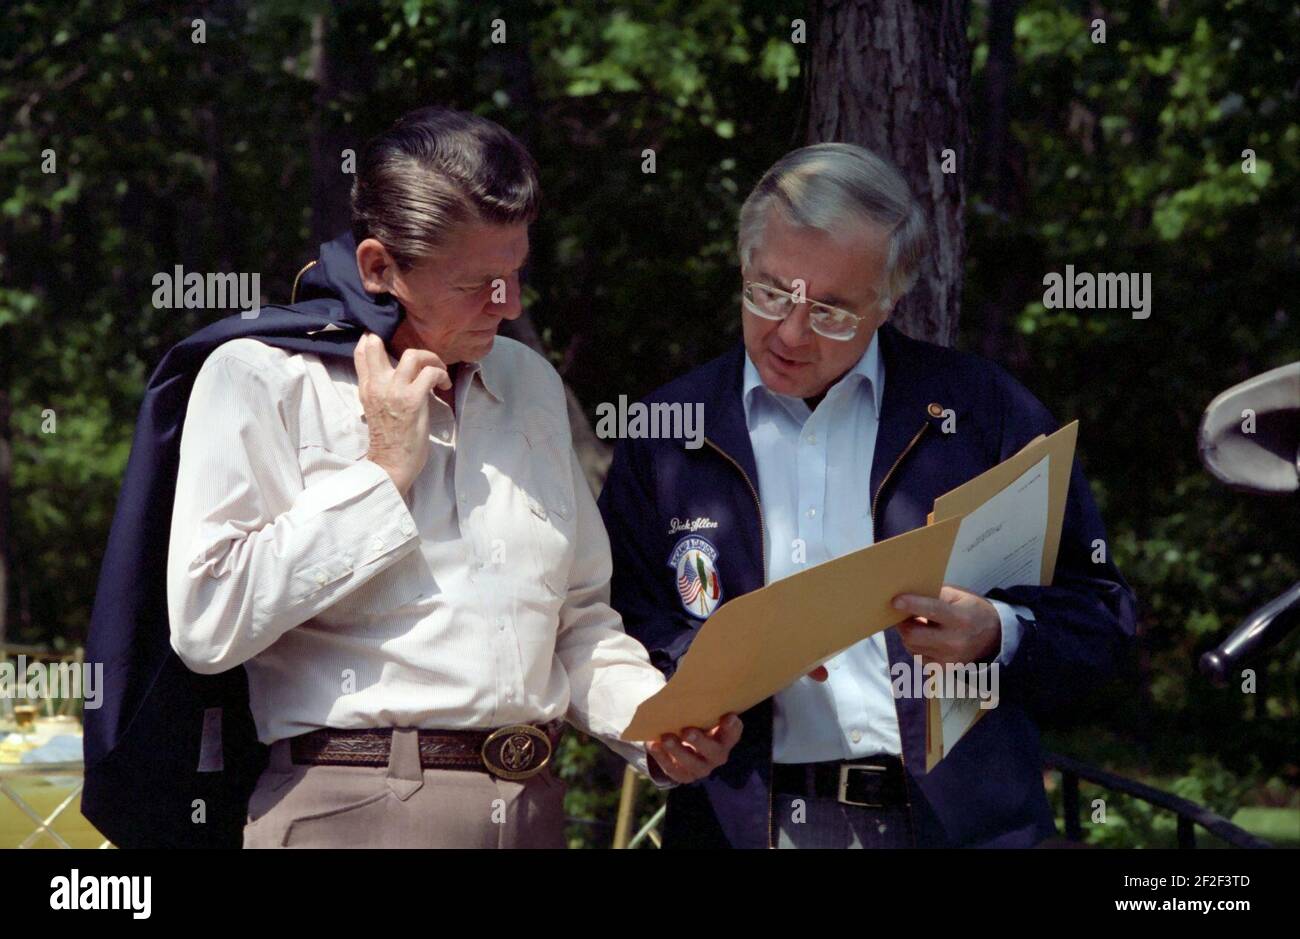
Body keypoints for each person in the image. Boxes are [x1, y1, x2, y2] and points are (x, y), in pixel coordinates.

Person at [153, 106, 740, 848]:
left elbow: (578, 621)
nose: (513, 304)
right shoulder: (258, 375)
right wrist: (381, 474)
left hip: (533, 810)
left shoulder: (527, 382)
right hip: (351, 813)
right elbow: (206, 622)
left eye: (517, 273)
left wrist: (654, 722)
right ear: (378, 266)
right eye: (480, 284)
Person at [597, 142, 1138, 848]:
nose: (790, 332)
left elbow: (1103, 619)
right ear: (741, 265)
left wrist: (998, 632)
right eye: (768, 292)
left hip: (955, 825)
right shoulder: (669, 433)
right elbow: (613, 631)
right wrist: (690, 696)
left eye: (831, 310)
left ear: (889, 301)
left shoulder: (981, 414)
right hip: (746, 822)